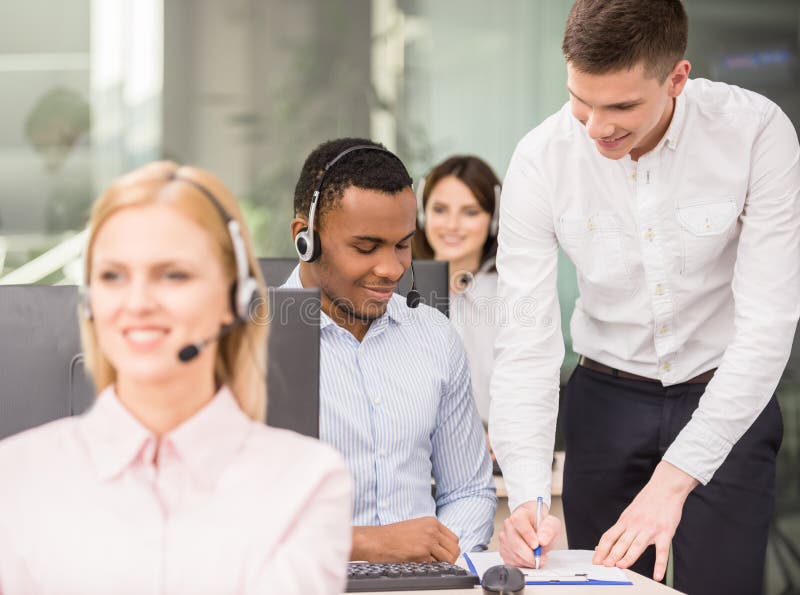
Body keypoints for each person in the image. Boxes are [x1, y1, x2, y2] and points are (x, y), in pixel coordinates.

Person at [490, 1, 800, 593]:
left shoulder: (757, 132)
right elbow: (526, 340)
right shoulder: (540, 159)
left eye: (623, 106)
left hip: (727, 392)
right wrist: (528, 492)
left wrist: (671, 481)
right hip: (604, 402)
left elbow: (767, 325)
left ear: (677, 78)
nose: (596, 127)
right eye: (582, 100)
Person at [0, 161, 353, 594]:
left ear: (235, 298)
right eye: (113, 276)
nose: (138, 302)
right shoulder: (16, 478)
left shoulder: (305, 483)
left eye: (174, 275)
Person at [282, 138, 497, 563]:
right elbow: (228, 520)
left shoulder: (435, 337)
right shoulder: (249, 344)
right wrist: (370, 545)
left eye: (402, 245)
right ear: (304, 238)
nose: (392, 269)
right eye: (366, 248)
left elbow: (469, 491)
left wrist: (436, 560)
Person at [413, 155, 502, 426]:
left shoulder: (510, 294)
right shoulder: (397, 292)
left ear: (494, 220)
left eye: (470, 212)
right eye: (440, 209)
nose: (452, 225)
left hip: (494, 449)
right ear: (421, 214)